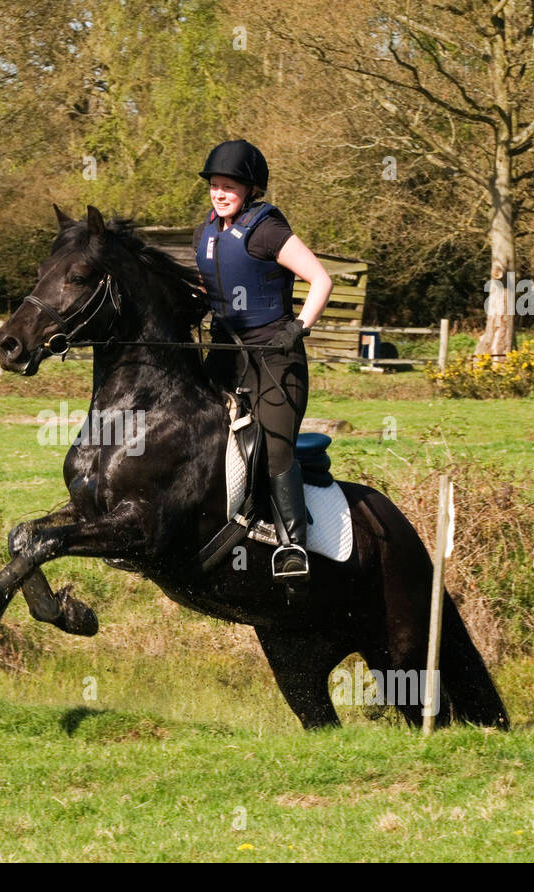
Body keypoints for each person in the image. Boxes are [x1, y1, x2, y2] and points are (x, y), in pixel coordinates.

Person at [193, 139, 332, 579]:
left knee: (273, 447)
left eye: (228, 186)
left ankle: (294, 546)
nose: (219, 193)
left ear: (250, 189)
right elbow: (206, 291)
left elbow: (320, 279)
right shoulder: (205, 233)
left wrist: (298, 327)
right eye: (214, 186)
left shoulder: (267, 230)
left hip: (275, 359)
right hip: (224, 355)